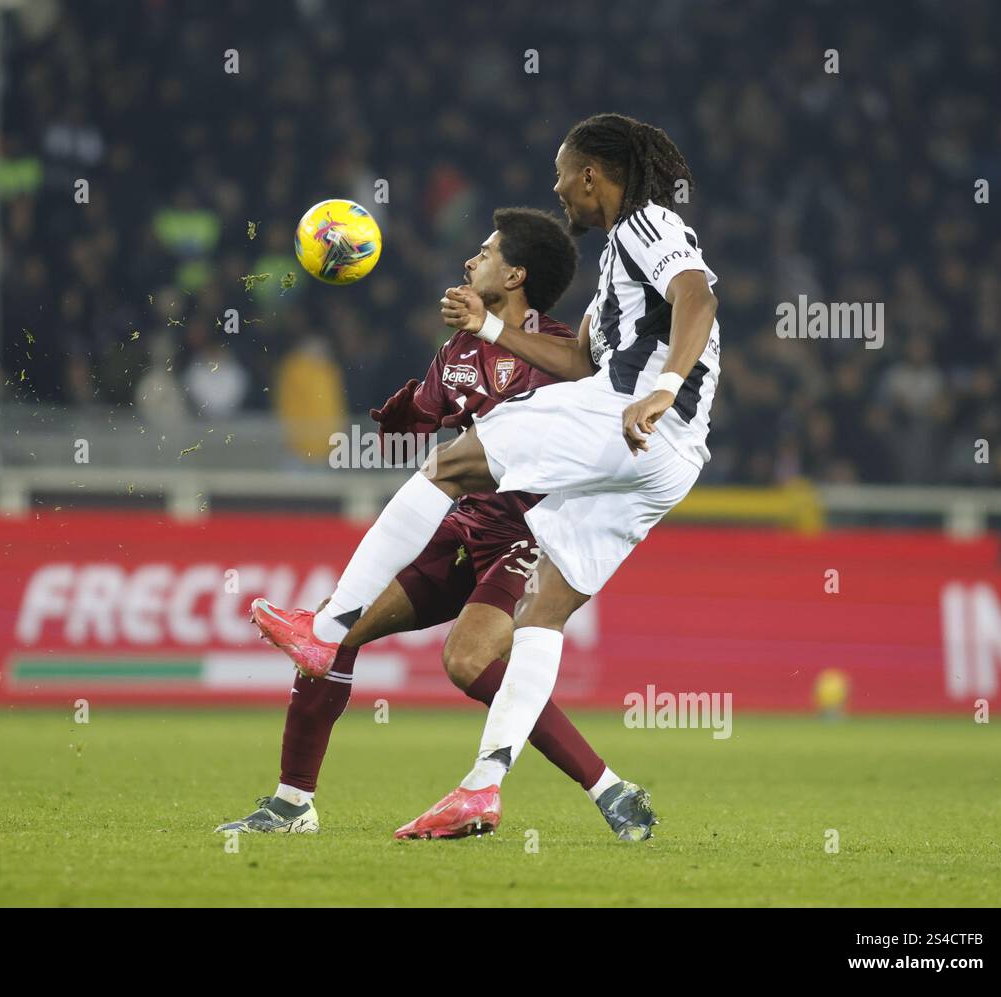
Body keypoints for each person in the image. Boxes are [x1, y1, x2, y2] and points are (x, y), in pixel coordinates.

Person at [254, 113, 721, 842]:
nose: (558, 187)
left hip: (640, 416)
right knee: (542, 614)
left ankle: (330, 627)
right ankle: (482, 787)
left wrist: (664, 386)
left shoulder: (646, 224)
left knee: (455, 464)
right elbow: (579, 363)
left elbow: (698, 296)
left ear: (593, 174)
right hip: (668, 457)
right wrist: (491, 330)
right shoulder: (611, 277)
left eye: (564, 172)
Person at [219, 209, 624, 838]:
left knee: (466, 661)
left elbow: (586, 383)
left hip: (528, 538)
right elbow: (436, 420)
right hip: (462, 531)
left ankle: (607, 787)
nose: (470, 260)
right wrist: (409, 411)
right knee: (335, 636)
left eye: (485, 252)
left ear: (515, 275)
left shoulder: (561, 348)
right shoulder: (458, 348)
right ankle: (292, 804)